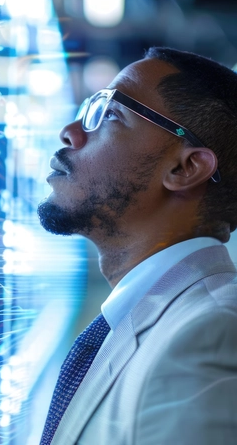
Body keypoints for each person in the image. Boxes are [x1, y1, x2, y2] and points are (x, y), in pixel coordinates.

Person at [37, 47, 237, 445]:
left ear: (185, 169)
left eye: (109, 114)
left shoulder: (209, 333)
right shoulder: (157, 317)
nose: (71, 132)